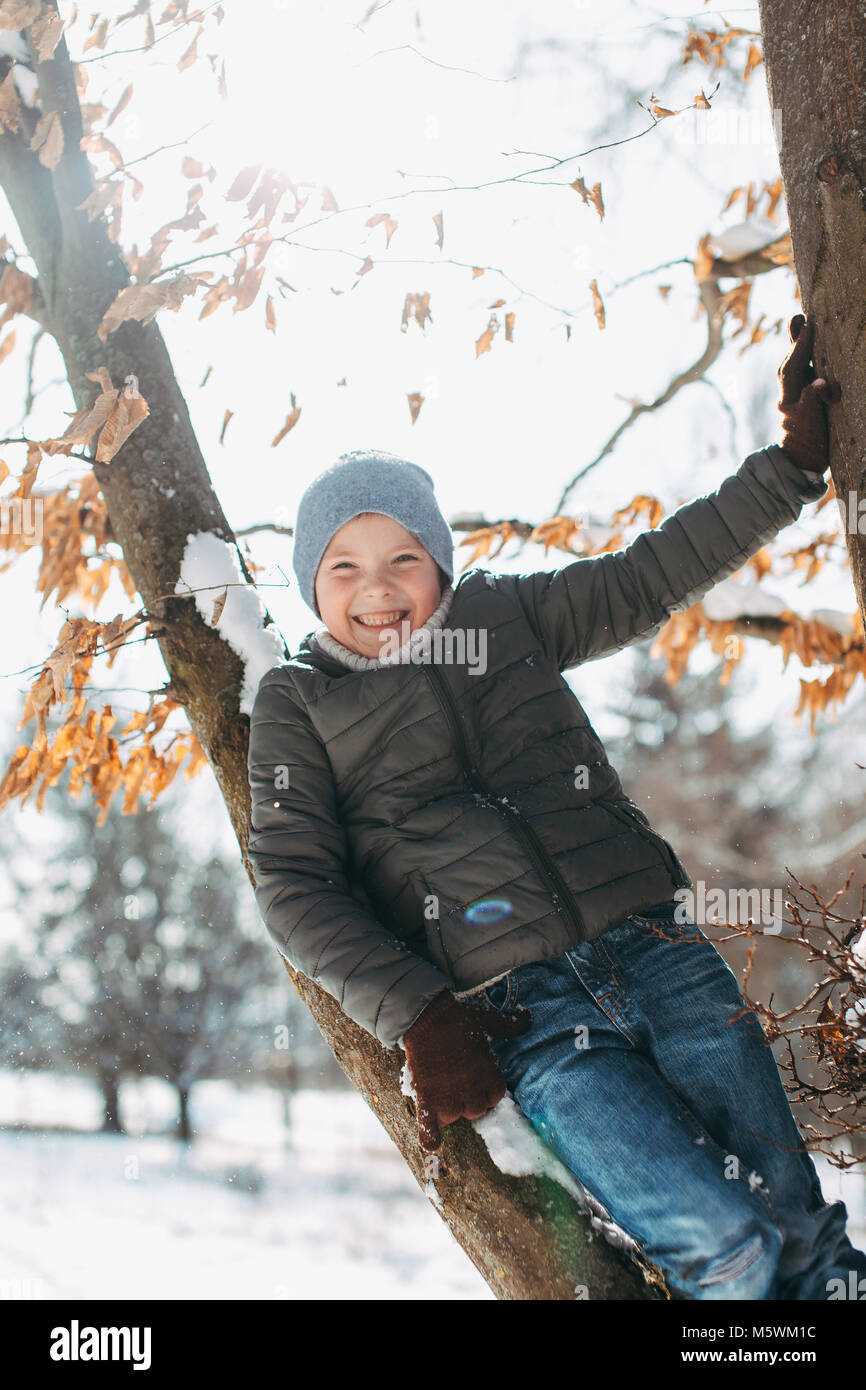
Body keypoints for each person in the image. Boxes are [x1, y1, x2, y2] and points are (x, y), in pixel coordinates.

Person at [247, 314, 866, 1299]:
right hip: (521, 1015)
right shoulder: (300, 703)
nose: (378, 590)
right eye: (344, 567)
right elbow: (291, 885)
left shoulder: (508, 616)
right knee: (727, 1248)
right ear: (311, 586)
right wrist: (419, 1013)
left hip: (658, 951)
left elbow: (650, 573)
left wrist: (789, 467)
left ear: (440, 564)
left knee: (797, 1227)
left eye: (403, 558)